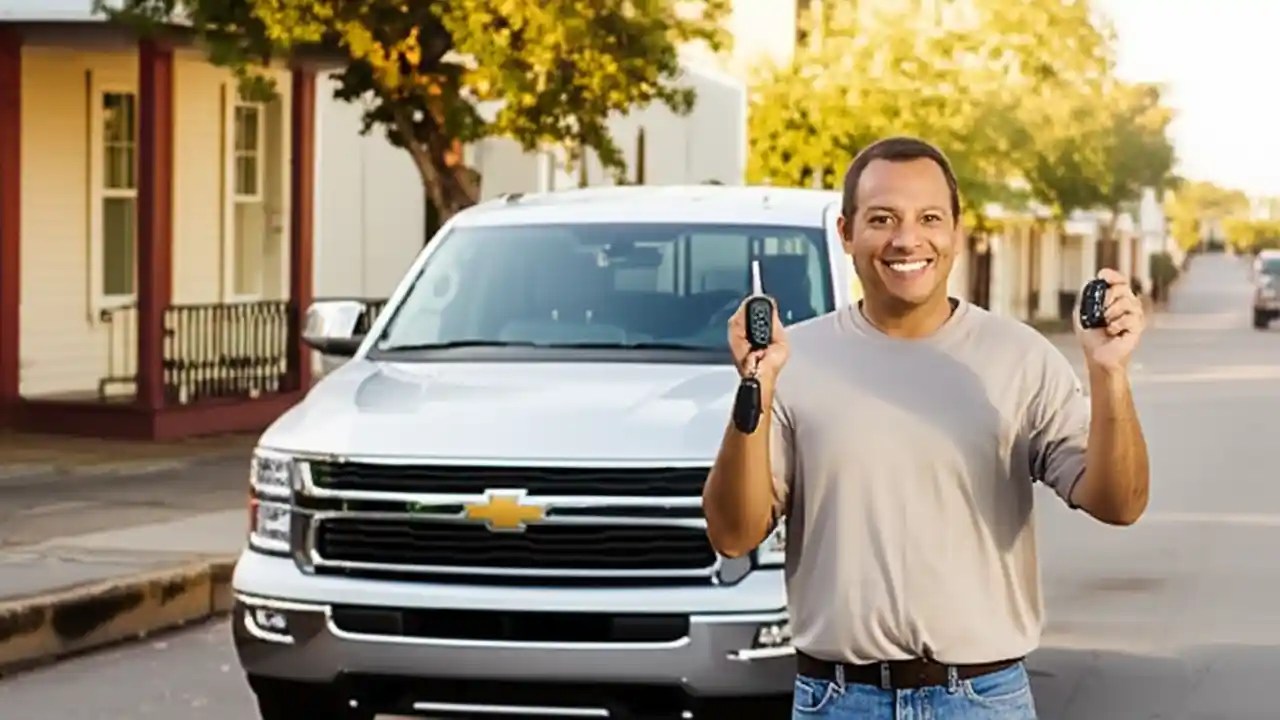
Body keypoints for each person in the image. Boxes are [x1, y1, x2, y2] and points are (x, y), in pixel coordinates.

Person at [702, 136, 1150, 719]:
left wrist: (1108, 373)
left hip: (984, 700)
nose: (907, 239)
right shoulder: (793, 359)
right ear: (845, 233)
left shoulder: (1019, 356)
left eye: (929, 218)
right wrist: (754, 388)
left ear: (956, 233)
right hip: (838, 701)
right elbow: (733, 534)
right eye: (882, 219)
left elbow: (1120, 503)